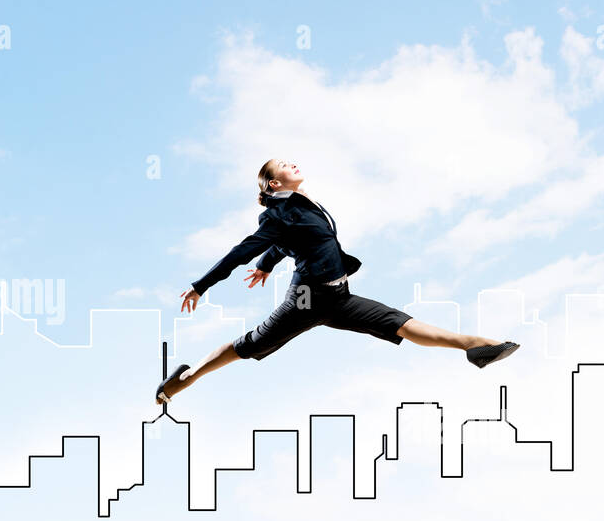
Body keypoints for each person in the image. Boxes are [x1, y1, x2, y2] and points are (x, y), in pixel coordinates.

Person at [156, 158, 518, 404]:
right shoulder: (278, 214)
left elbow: (296, 242)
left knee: (400, 324)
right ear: (274, 182)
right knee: (249, 345)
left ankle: (478, 346)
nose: (291, 163)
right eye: (283, 165)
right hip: (306, 300)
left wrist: (268, 264)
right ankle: (185, 379)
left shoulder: (299, 202)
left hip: (339, 297)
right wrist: (201, 286)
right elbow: (240, 252)